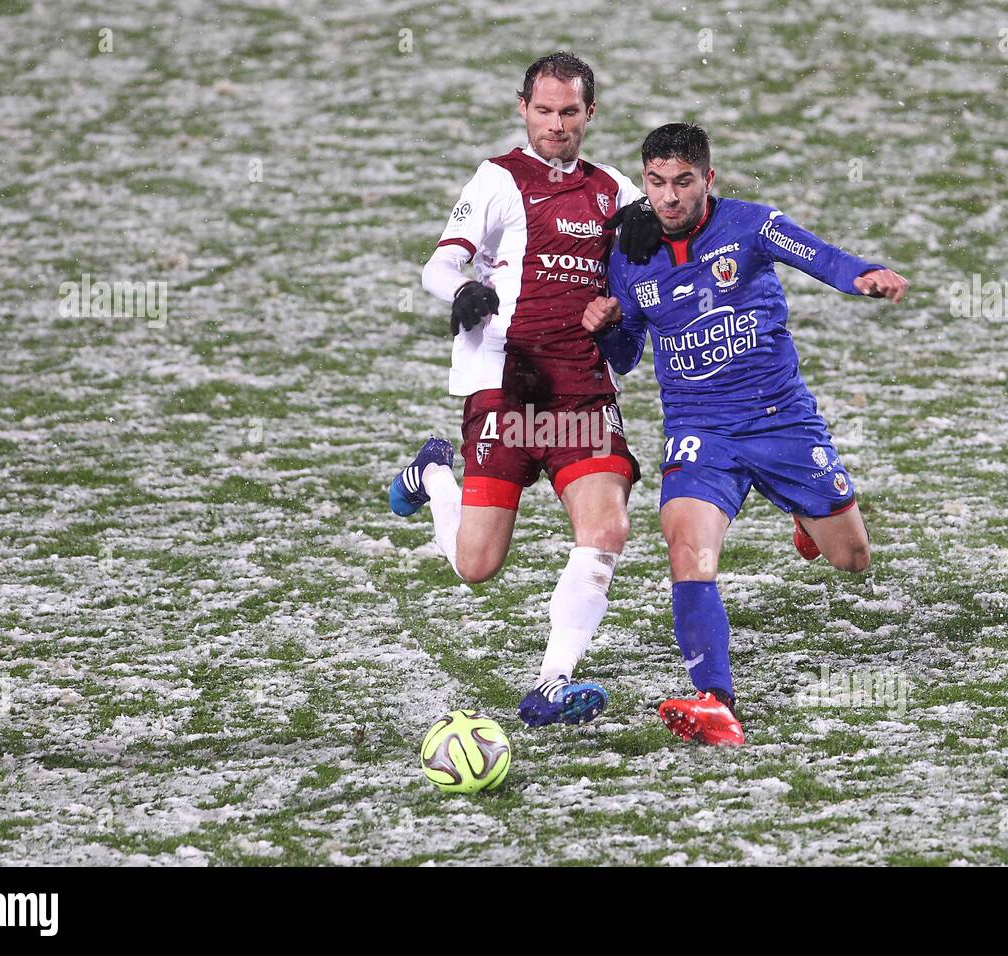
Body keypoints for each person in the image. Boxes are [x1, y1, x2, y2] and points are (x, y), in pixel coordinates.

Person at [584, 123, 909, 745]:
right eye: (656, 183)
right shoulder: (629, 253)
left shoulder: (751, 225)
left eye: (683, 182)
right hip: (699, 432)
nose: (669, 198)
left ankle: (804, 515)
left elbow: (822, 257)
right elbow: (625, 356)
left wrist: (864, 274)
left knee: (853, 559)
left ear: (708, 178)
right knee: (688, 550)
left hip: (779, 422)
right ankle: (715, 699)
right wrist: (605, 325)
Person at [389, 53, 660, 727]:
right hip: (505, 389)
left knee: (607, 525)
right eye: (544, 111)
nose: (557, 125)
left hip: (580, 392)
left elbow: (659, 250)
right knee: (477, 566)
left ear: (590, 114)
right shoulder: (498, 179)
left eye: (570, 112)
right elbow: (439, 264)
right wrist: (467, 290)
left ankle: (553, 681)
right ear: (523, 109)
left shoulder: (616, 191)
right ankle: (435, 478)